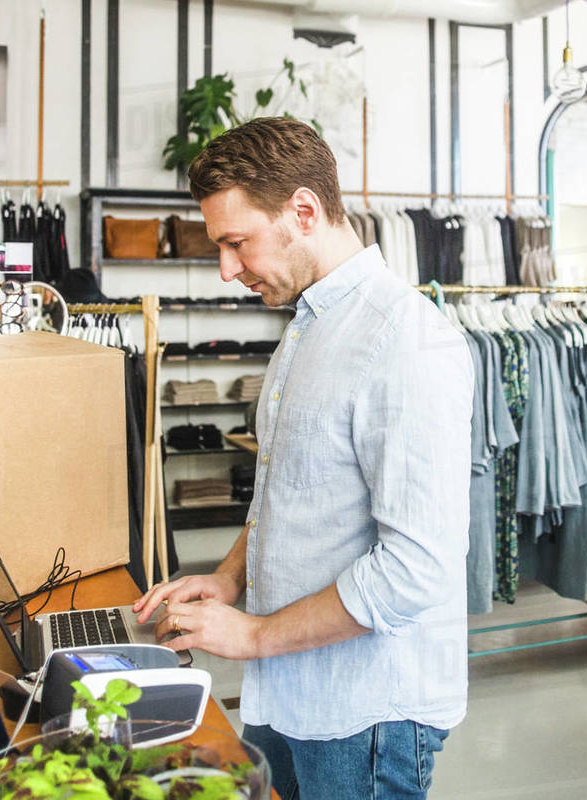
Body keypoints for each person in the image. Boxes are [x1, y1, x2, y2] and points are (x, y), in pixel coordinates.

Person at [133, 117, 474, 799]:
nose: (227, 268)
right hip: (290, 690)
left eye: (237, 243)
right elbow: (285, 495)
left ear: (305, 211)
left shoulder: (407, 342)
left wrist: (253, 636)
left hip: (365, 714)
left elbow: (414, 571)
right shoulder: (308, 326)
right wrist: (230, 580)